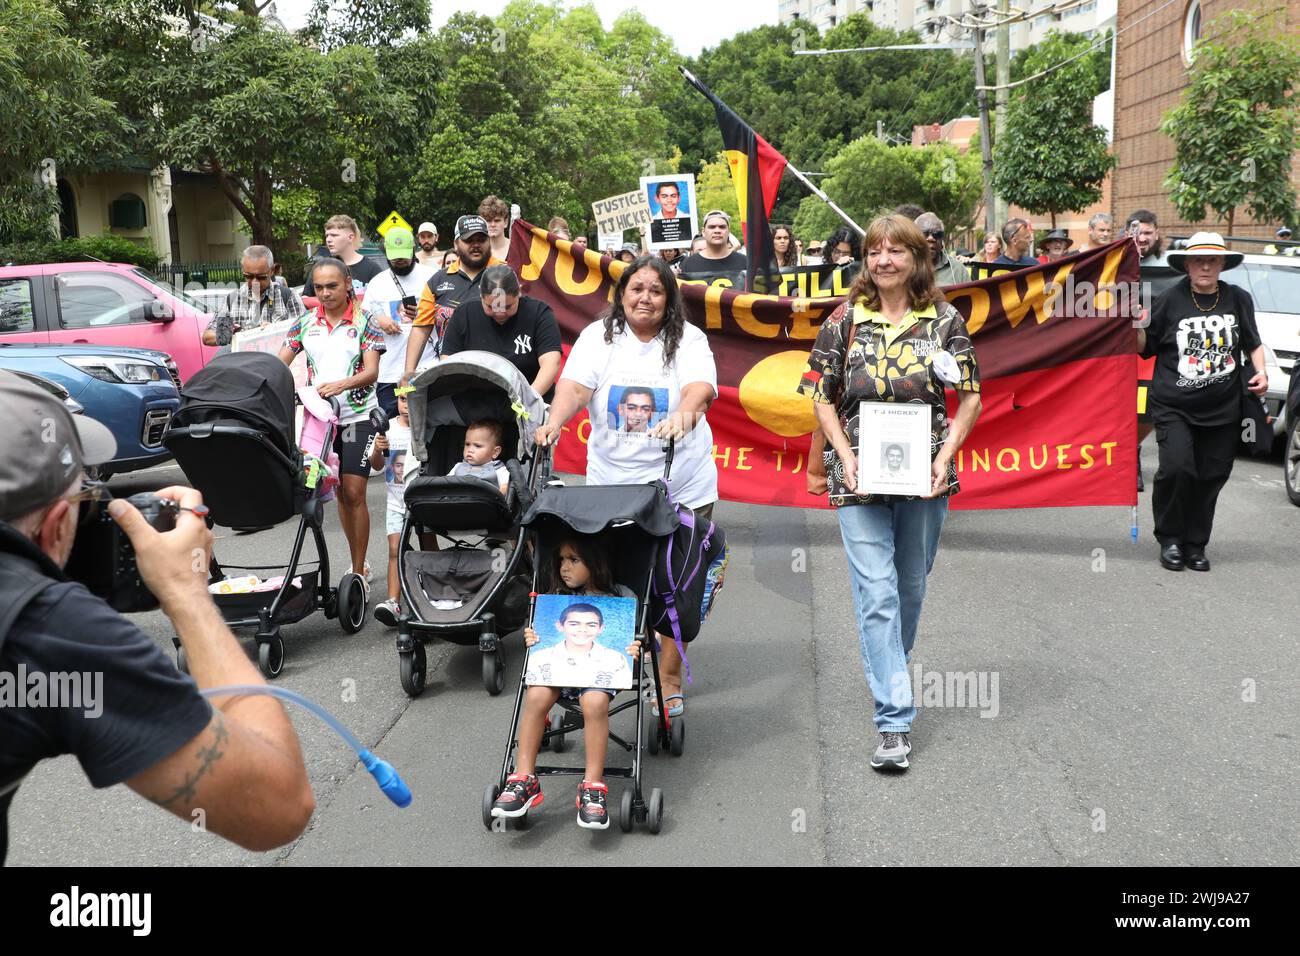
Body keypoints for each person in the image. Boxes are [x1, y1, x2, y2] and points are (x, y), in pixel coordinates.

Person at [0, 373, 314, 862]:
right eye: (85, 500)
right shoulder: (48, 632)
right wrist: (187, 592)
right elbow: (278, 805)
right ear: (58, 524)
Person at [797, 214, 982, 771]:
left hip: (925, 481)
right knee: (876, 592)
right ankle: (894, 719)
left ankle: (888, 665)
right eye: (873, 251)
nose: (883, 261)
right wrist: (845, 456)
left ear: (916, 258)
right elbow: (819, 395)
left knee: (910, 587)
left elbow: (971, 397)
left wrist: (943, 459)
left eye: (894, 251)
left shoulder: (945, 320)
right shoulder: (844, 319)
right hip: (858, 480)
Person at [534, 255, 717, 714]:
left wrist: (682, 416)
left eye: (656, 291)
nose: (646, 298)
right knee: (609, 582)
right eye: (637, 288)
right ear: (621, 294)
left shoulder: (688, 339)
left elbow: (701, 391)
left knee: (671, 586)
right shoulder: (600, 337)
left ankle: (669, 681)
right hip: (611, 491)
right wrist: (556, 421)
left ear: (669, 299)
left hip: (680, 487)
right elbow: (574, 387)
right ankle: (600, 673)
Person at [1136, 232, 1266, 573]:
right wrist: (1134, 324)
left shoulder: (1238, 298)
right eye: (1198, 260)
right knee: (1177, 468)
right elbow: (1143, 347)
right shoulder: (1168, 299)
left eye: (1212, 260)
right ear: (1188, 265)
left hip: (1223, 408)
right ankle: (1171, 540)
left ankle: (1196, 544)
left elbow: (1252, 342)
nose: (1205, 265)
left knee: (1212, 475)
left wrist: (1262, 372)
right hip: (1174, 405)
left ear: (1223, 264)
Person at [492, 536, 639, 829]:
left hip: (600, 673)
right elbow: (538, 635)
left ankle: (593, 786)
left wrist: (637, 647)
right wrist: (530, 637)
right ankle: (524, 778)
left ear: (595, 563)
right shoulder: (553, 597)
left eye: (574, 560)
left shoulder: (621, 596)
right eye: (561, 560)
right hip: (559, 671)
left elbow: (642, 636)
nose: (564, 567)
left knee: (594, 702)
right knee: (535, 696)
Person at [278, 258, 383, 588]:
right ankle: (357, 560)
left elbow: (371, 372)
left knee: (354, 492)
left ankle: (357, 570)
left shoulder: (366, 322)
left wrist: (340, 385)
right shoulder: (304, 323)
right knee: (337, 492)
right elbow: (278, 363)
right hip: (320, 422)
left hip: (358, 416)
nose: (325, 293)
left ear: (348, 283)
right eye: (319, 287)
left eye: (332, 286)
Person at [437, 264, 562, 402]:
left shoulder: (539, 313)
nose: (500, 313)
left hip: (531, 397)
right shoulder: (464, 314)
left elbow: (551, 362)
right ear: (480, 293)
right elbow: (448, 363)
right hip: (477, 402)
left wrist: (529, 399)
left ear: (519, 292)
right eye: (490, 306)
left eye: (508, 306)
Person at [361, 226, 436, 418]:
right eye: (394, 256)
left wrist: (424, 315)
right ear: (385, 253)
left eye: (404, 255)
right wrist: (379, 319)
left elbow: (447, 317)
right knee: (393, 431)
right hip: (390, 373)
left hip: (427, 367)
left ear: (413, 249)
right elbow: (363, 317)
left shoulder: (432, 277)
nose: (400, 260)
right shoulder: (377, 283)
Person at [407, 215, 493, 375]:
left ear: (489, 241)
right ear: (456, 244)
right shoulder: (437, 281)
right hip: (451, 374)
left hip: (496, 372)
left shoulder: (504, 274)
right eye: (468, 240)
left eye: (481, 239)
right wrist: (408, 372)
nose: (475, 245)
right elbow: (420, 328)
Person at [367, 390, 423, 627]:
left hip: (423, 501)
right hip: (396, 502)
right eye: (402, 399)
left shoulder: (427, 426)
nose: (407, 406)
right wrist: (379, 449)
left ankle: (431, 596)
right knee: (394, 549)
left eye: (413, 400)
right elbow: (376, 465)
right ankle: (393, 601)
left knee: (428, 548)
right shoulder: (386, 428)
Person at [202, 245, 304, 350]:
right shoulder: (232, 300)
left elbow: (304, 332)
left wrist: (275, 332)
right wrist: (235, 333)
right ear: (243, 271)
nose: (255, 282)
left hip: (277, 363)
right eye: (249, 276)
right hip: (243, 364)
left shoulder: (288, 296)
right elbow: (207, 337)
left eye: (261, 277)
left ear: (272, 270)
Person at [302, 214, 385, 298]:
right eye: (327, 235)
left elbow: (384, 300)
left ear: (350, 237)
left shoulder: (372, 269)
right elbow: (305, 299)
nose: (328, 239)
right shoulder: (320, 268)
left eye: (334, 235)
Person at [447, 419, 511, 497]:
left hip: (485, 505)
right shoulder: (458, 467)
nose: (470, 450)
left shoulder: (499, 469)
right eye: (467, 444)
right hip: (456, 503)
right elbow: (445, 484)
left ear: (495, 452)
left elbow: (505, 488)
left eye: (477, 446)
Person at [679, 211, 746, 274]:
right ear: (703, 232)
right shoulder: (687, 264)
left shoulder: (745, 262)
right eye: (712, 227)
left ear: (729, 231)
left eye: (722, 227)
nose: (717, 231)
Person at [915, 212, 970, 285]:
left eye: (937, 234)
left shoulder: (958, 270)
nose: (931, 238)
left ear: (942, 241)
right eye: (924, 233)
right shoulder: (904, 268)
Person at [649, 180, 692, 246]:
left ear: (679, 198)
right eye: (664, 196)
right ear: (657, 199)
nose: (669, 200)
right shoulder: (650, 222)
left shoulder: (689, 219)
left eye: (673, 196)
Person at [479, 194, 511, 262]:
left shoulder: (517, 248)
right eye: (488, 221)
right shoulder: (478, 251)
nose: (493, 225)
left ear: (506, 222)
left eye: (497, 221)